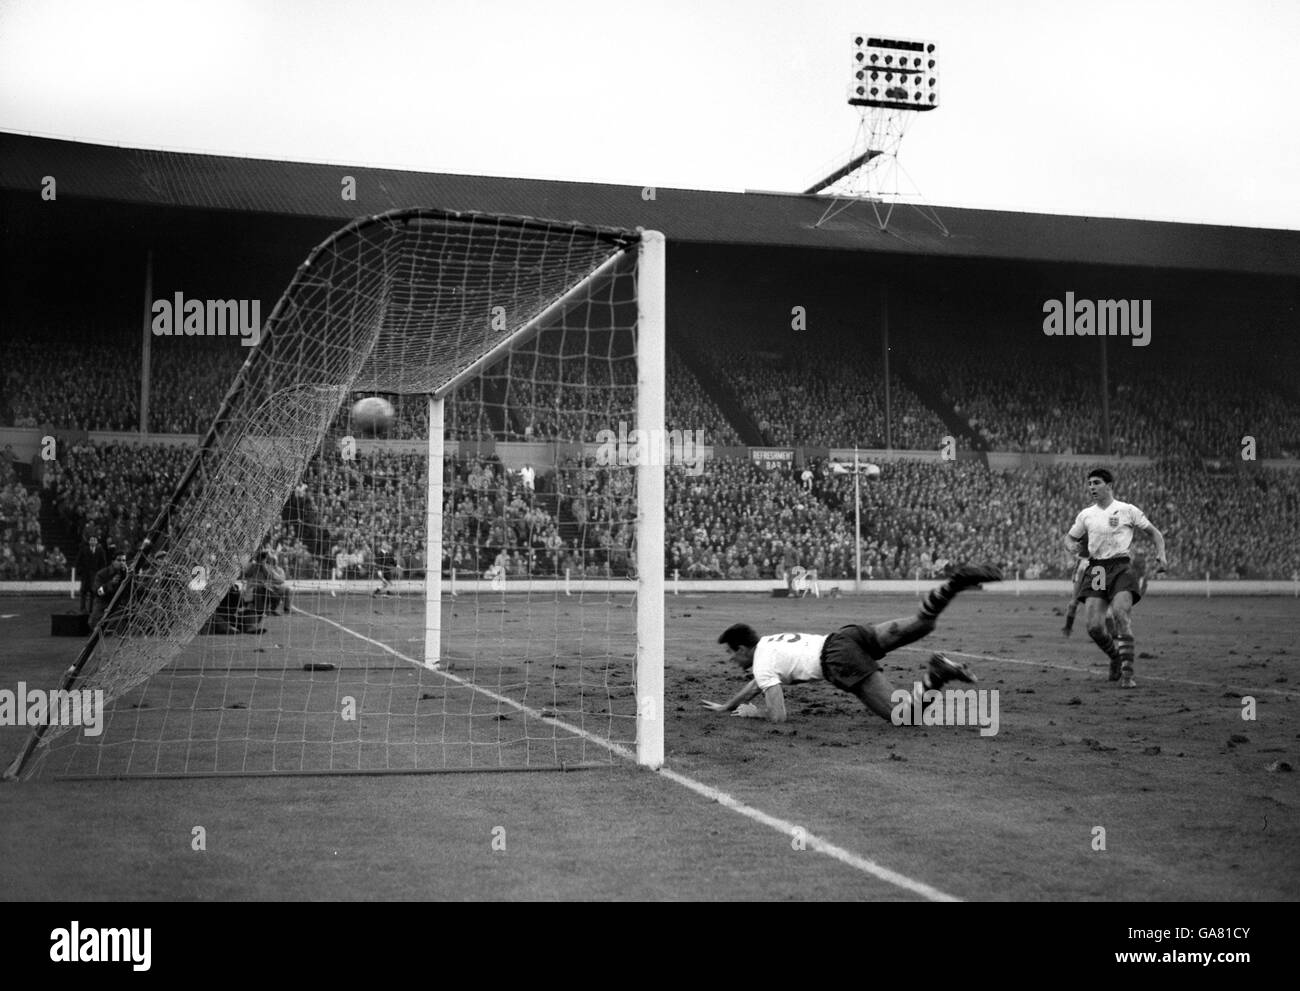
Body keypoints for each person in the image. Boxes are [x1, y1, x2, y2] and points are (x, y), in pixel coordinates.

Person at [703, 564, 1001, 724]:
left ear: (743, 649)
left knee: (904, 716)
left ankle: (936, 675)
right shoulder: (768, 644)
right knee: (924, 622)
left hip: (838, 660)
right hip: (845, 636)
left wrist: (754, 713)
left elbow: (779, 716)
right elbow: (757, 683)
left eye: (731, 654)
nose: (731, 661)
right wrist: (727, 705)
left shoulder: (763, 663)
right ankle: (954, 583)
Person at [1064, 468, 1167, 687]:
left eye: (1097, 482)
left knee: (1120, 614)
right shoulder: (1086, 515)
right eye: (1090, 483)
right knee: (1093, 626)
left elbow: (1155, 533)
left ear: (1109, 485)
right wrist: (1070, 545)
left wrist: (1162, 556)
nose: (1092, 486)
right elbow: (1070, 537)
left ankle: (1127, 676)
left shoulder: (1127, 510)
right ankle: (1115, 657)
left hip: (1120, 567)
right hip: (1097, 569)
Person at [88, 549, 129, 632]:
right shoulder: (102, 574)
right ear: (113, 561)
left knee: (121, 627)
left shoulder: (128, 575)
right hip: (103, 602)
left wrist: (129, 578)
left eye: (124, 560)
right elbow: (97, 592)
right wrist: (110, 584)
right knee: (93, 623)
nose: (122, 563)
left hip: (119, 604)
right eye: (119, 560)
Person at [75, 533, 108, 614]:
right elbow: (78, 561)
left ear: (97, 542)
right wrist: (80, 572)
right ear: (89, 541)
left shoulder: (100, 551)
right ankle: (82, 608)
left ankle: (91, 609)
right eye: (91, 540)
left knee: (93, 593)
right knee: (83, 592)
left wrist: (101, 574)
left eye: (94, 540)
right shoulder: (83, 549)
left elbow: (103, 563)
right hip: (85, 575)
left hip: (95, 575)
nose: (93, 542)